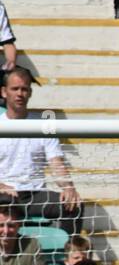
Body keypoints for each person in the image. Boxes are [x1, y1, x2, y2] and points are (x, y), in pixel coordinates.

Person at [0, 68, 82, 237]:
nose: (20, 94)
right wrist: (1, 187)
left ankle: (72, 257)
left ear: (30, 93)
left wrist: (68, 187)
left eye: (25, 89)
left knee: (74, 204)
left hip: (34, 195)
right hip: (3, 194)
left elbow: (56, 162)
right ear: (3, 92)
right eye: (15, 89)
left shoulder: (43, 125)